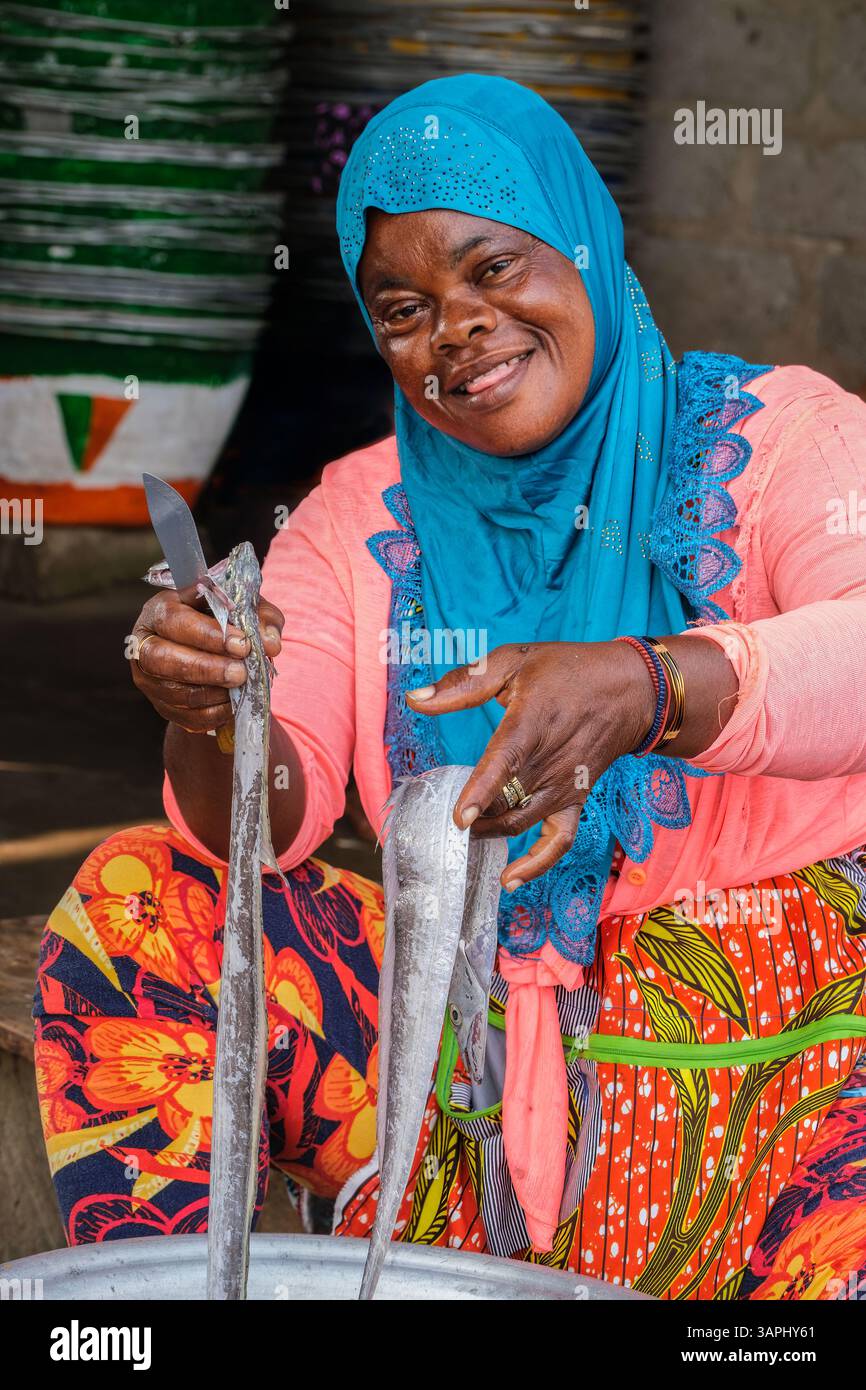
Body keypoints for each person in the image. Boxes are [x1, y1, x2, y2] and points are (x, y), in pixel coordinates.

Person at [34, 75, 866, 1300]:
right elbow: (264, 816)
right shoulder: (359, 514)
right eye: (405, 308)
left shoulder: (777, 440)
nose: (458, 328)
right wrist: (218, 708)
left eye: (493, 269)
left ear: (579, 240)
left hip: (780, 1112)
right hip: (452, 1101)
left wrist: (647, 686)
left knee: (725, 942)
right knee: (145, 898)